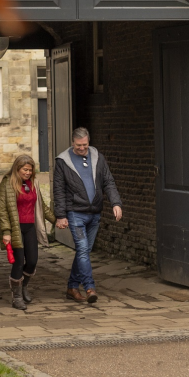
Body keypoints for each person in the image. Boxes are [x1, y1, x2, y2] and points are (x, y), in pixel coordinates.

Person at [53, 127, 122, 304]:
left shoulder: (97, 157)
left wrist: (116, 203)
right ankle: (90, 287)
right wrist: (60, 215)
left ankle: (72, 287)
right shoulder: (63, 161)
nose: (82, 148)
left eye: (84, 145)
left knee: (84, 251)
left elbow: (108, 181)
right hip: (76, 213)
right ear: (72, 142)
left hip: (95, 213)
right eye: (78, 145)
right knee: (83, 250)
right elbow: (58, 190)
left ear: (88, 142)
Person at [0, 154, 56, 310]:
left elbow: (41, 207)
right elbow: (2, 210)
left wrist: (57, 220)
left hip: (30, 228)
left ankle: (23, 287)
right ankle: (16, 297)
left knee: (32, 261)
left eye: (30, 170)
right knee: (18, 262)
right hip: (16, 229)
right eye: (25, 170)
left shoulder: (33, 184)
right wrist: (6, 231)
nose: (28, 173)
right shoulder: (7, 184)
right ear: (17, 169)